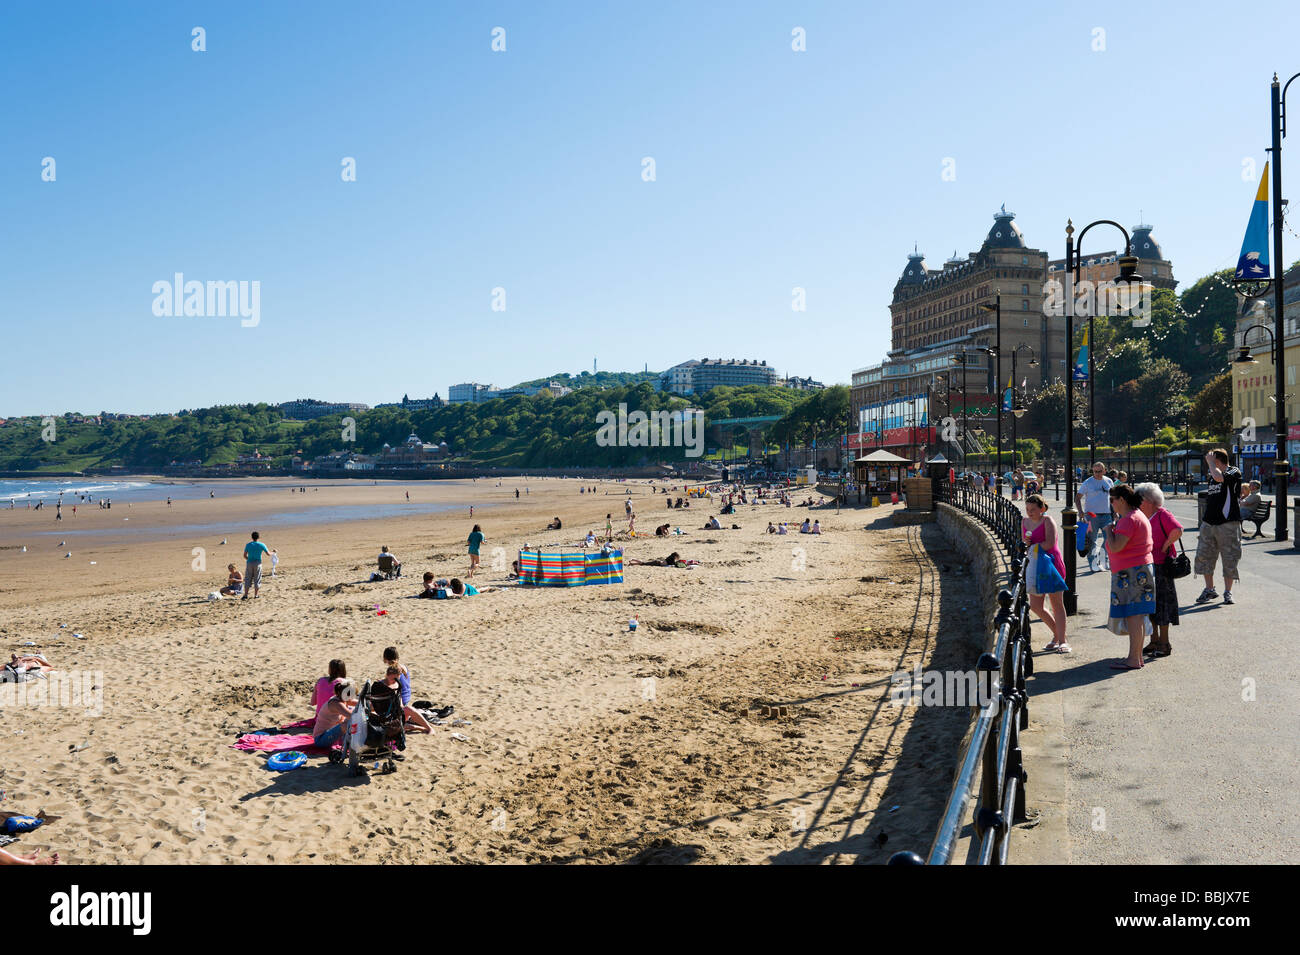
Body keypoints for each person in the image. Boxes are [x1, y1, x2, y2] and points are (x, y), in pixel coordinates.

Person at [1103, 484, 1155, 670]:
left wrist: (1108, 531)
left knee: (1133, 615)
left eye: (1113, 499)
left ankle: (1133, 659)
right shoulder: (1137, 515)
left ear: (1121, 500)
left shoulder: (1128, 519)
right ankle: (1136, 657)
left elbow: (1116, 547)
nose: (1111, 503)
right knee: (1138, 616)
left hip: (1131, 571)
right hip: (1141, 568)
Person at [1136, 482, 1182, 658]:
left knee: (1162, 606)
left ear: (1148, 500)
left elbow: (1177, 530)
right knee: (1150, 606)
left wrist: (1165, 546)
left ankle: (1164, 643)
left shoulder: (1162, 514)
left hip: (1162, 566)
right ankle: (1154, 640)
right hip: (1148, 565)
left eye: (1139, 499)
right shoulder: (1145, 516)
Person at [1194, 449, 1243, 605]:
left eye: (1210, 460)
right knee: (1204, 556)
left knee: (1229, 557)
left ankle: (1228, 592)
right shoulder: (1213, 474)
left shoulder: (1233, 471)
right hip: (1209, 522)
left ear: (1217, 460)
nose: (1207, 463)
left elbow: (1219, 477)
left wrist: (1210, 462)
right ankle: (1209, 589)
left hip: (1227, 523)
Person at [1021, 494, 1069, 652]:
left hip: (1051, 564)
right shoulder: (1024, 522)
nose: (1029, 512)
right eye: (1027, 509)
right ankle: (1057, 634)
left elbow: (1050, 543)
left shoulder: (1047, 520)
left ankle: (1062, 641)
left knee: (1056, 604)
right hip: (1035, 564)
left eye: (1033, 509)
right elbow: (1025, 545)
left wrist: (1033, 546)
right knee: (1035, 605)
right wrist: (1027, 544)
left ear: (1042, 509)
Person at [382, 647, 432, 733]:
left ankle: (417, 727)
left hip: (401, 699)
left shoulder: (393, 671)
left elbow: (390, 685)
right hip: (407, 697)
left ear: (385, 658)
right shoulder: (403, 667)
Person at [1075, 463, 1114, 572]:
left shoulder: (1109, 481)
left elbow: (1112, 498)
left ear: (1104, 470)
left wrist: (1115, 512)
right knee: (1092, 541)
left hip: (1107, 515)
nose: (1097, 474)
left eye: (1099, 471)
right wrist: (1080, 511)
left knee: (1109, 539)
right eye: (1095, 471)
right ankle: (1093, 563)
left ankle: (1104, 560)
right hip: (1091, 516)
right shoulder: (1087, 483)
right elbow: (1077, 498)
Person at [312, 679, 356, 749]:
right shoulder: (336, 703)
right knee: (347, 724)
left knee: (350, 719)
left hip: (329, 735)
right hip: (320, 740)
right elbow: (351, 716)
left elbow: (358, 703)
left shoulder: (342, 698)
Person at [242, 531, 270, 600]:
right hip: (257, 563)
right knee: (257, 579)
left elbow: (245, 555)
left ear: (252, 537)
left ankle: (245, 595)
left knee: (248, 578)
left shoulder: (248, 545)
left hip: (249, 563)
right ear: (258, 537)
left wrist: (249, 559)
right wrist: (273, 552)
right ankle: (256, 595)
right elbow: (268, 554)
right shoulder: (261, 544)